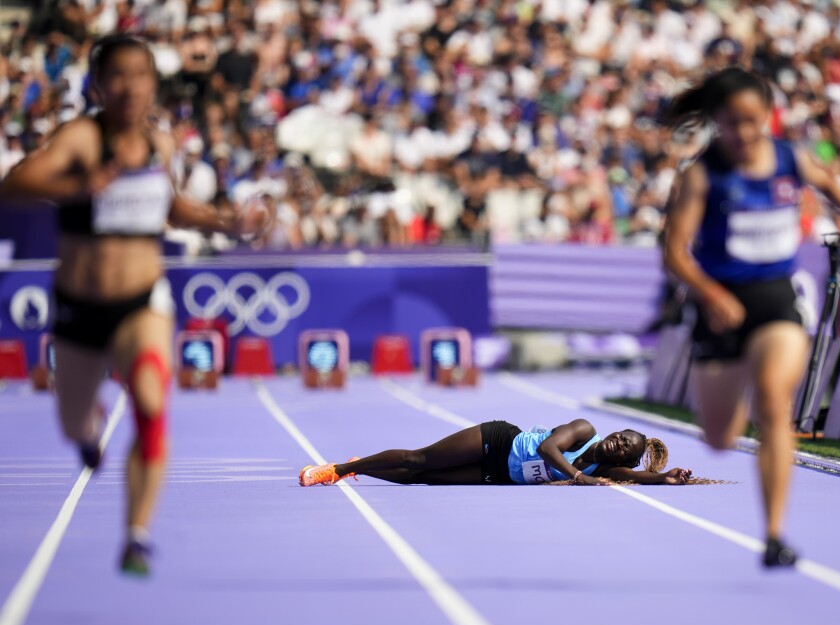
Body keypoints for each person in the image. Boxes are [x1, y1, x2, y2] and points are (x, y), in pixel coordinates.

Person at [0, 36, 266, 576]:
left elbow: (169, 207)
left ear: (152, 84)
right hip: (80, 306)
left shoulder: (159, 143)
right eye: (117, 76)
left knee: (150, 398)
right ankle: (88, 427)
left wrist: (225, 223)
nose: (129, 87)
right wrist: (78, 184)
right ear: (98, 86)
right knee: (73, 425)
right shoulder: (81, 137)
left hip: (143, 301)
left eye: (139, 75)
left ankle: (136, 534)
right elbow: (15, 183)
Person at [663, 67, 840, 568]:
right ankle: (735, 391)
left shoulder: (789, 159)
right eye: (732, 123)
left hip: (775, 300)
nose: (742, 134)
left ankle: (775, 534)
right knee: (719, 437)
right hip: (719, 307)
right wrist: (711, 295)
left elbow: (831, 185)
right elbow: (675, 254)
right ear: (716, 120)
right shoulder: (701, 175)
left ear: (768, 117)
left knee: (775, 404)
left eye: (753, 122)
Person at [299, 419, 692, 487]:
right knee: (419, 459)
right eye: (622, 437)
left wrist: (665, 478)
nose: (619, 445)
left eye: (626, 450)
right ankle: (336, 468)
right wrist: (577, 476)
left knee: (420, 479)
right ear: (614, 433)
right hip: (500, 441)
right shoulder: (584, 432)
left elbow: (639, 477)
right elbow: (545, 447)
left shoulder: (610, 468)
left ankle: (359, 469)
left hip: (499, 475)